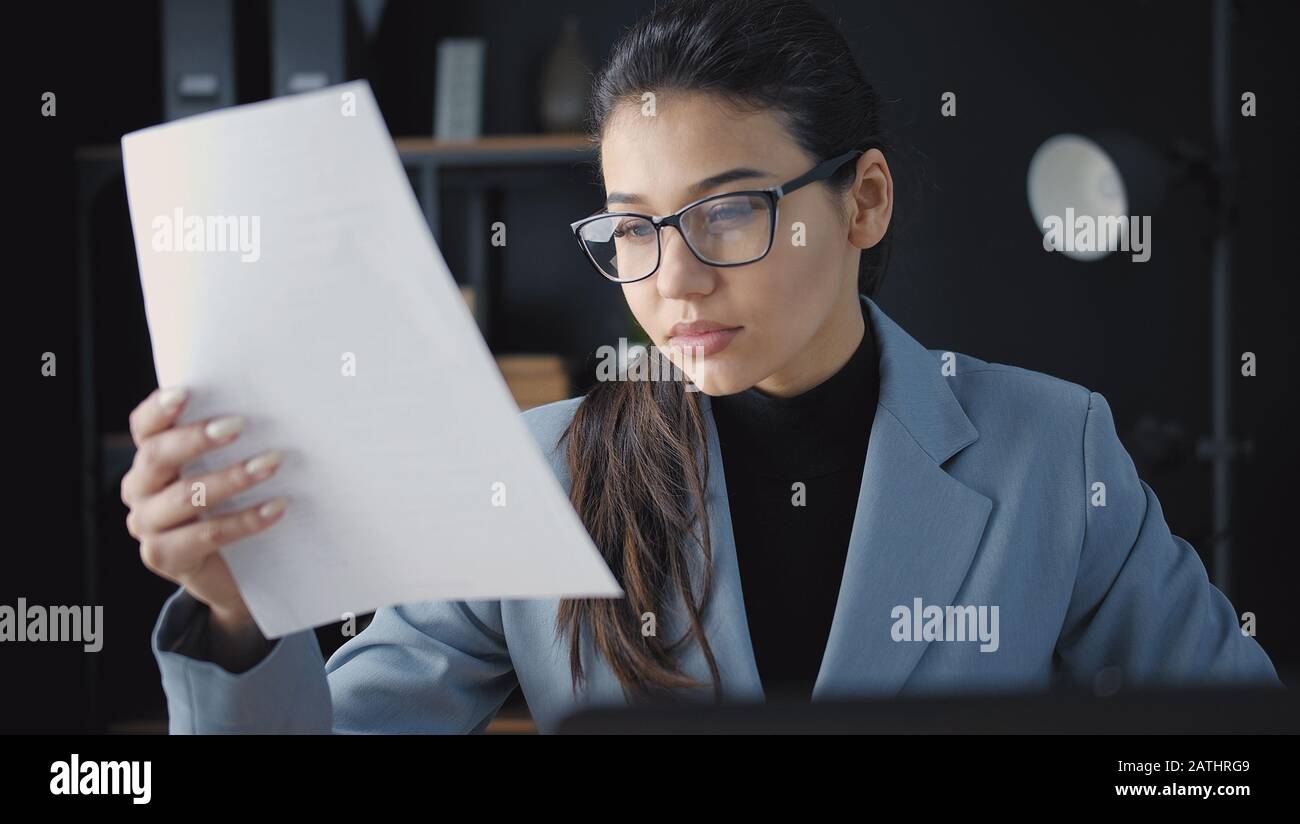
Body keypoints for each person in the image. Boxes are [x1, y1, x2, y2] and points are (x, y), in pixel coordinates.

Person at [124, 0, 1281, 734]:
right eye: (631, 226)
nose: (669, 282)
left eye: (726, 212)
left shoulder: (1050, 451)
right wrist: (236, 615)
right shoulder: (537, 471)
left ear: (861, 199)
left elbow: (1227, 745)